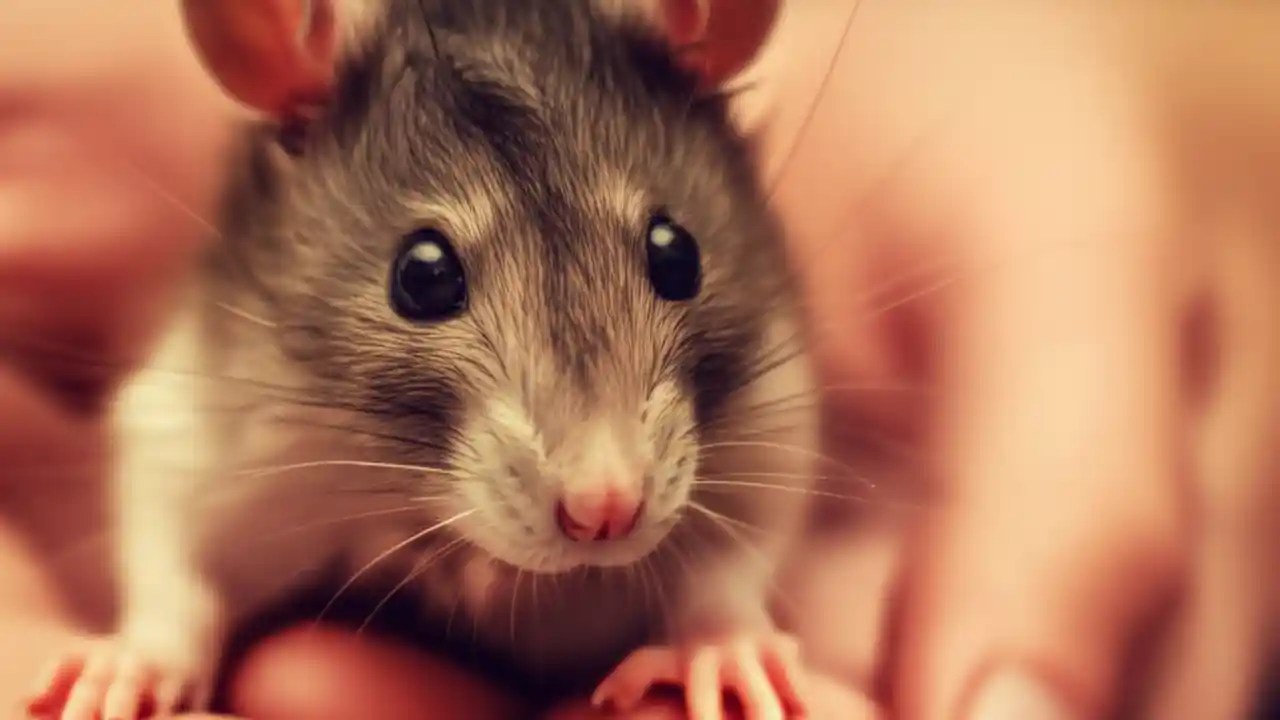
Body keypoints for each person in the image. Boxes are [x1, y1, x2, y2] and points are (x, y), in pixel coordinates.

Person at [2, 0, 1277, 718]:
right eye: (432, 281)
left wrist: (723, 605)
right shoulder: (258, 356)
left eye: (666, 259)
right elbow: (169, 452)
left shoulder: (736, 367)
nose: (604, 490)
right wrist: (167, 625)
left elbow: (772, 416)